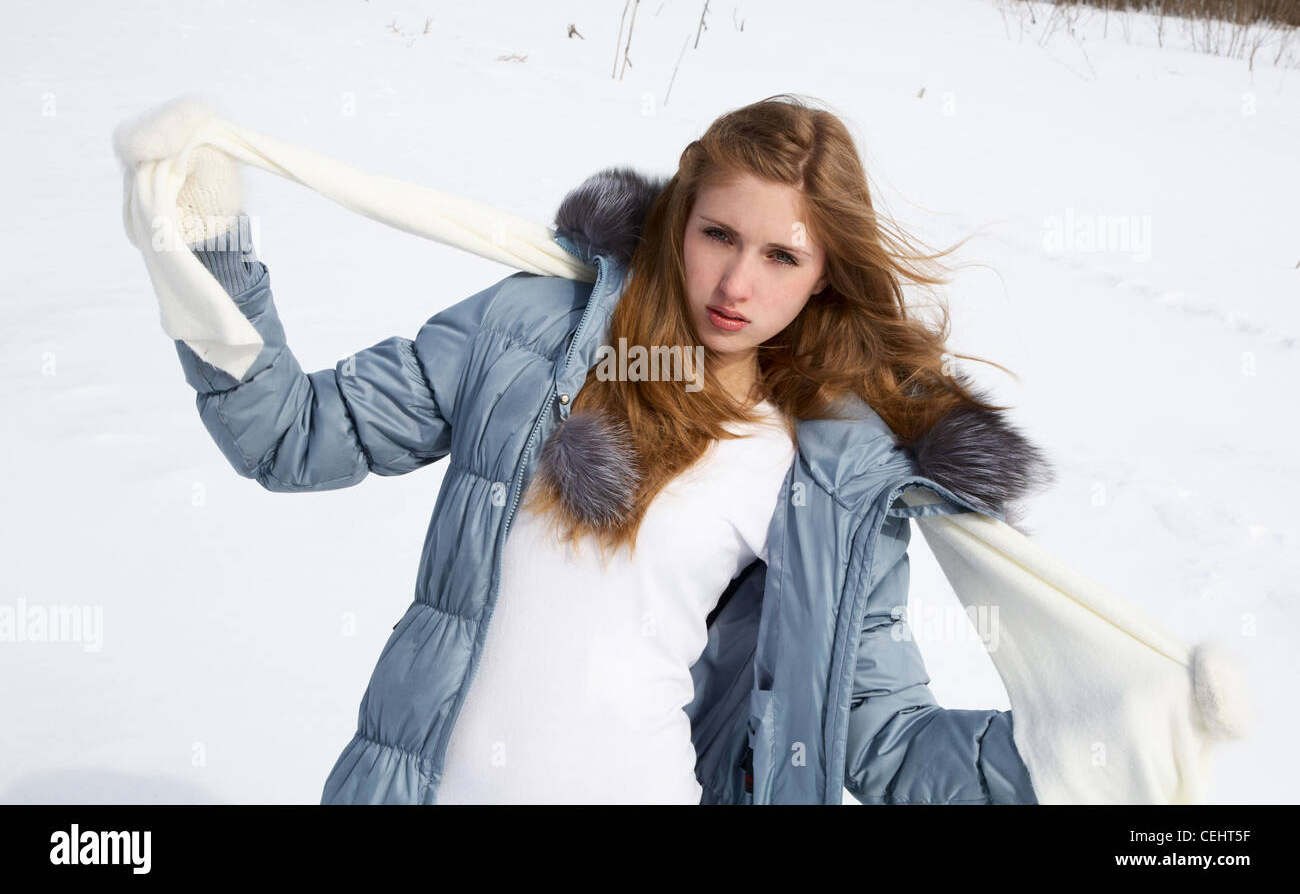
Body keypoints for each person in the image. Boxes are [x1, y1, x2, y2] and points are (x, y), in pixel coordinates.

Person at [170, 93, 1053, 804]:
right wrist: (211, 256)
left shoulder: (827, 472)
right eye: (719, 236)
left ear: (825, 275)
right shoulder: (533, 332)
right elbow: (295, 438)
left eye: (783, 257)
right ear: (679, 219)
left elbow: (880, 734)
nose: (738, 284)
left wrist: (1077, 759)